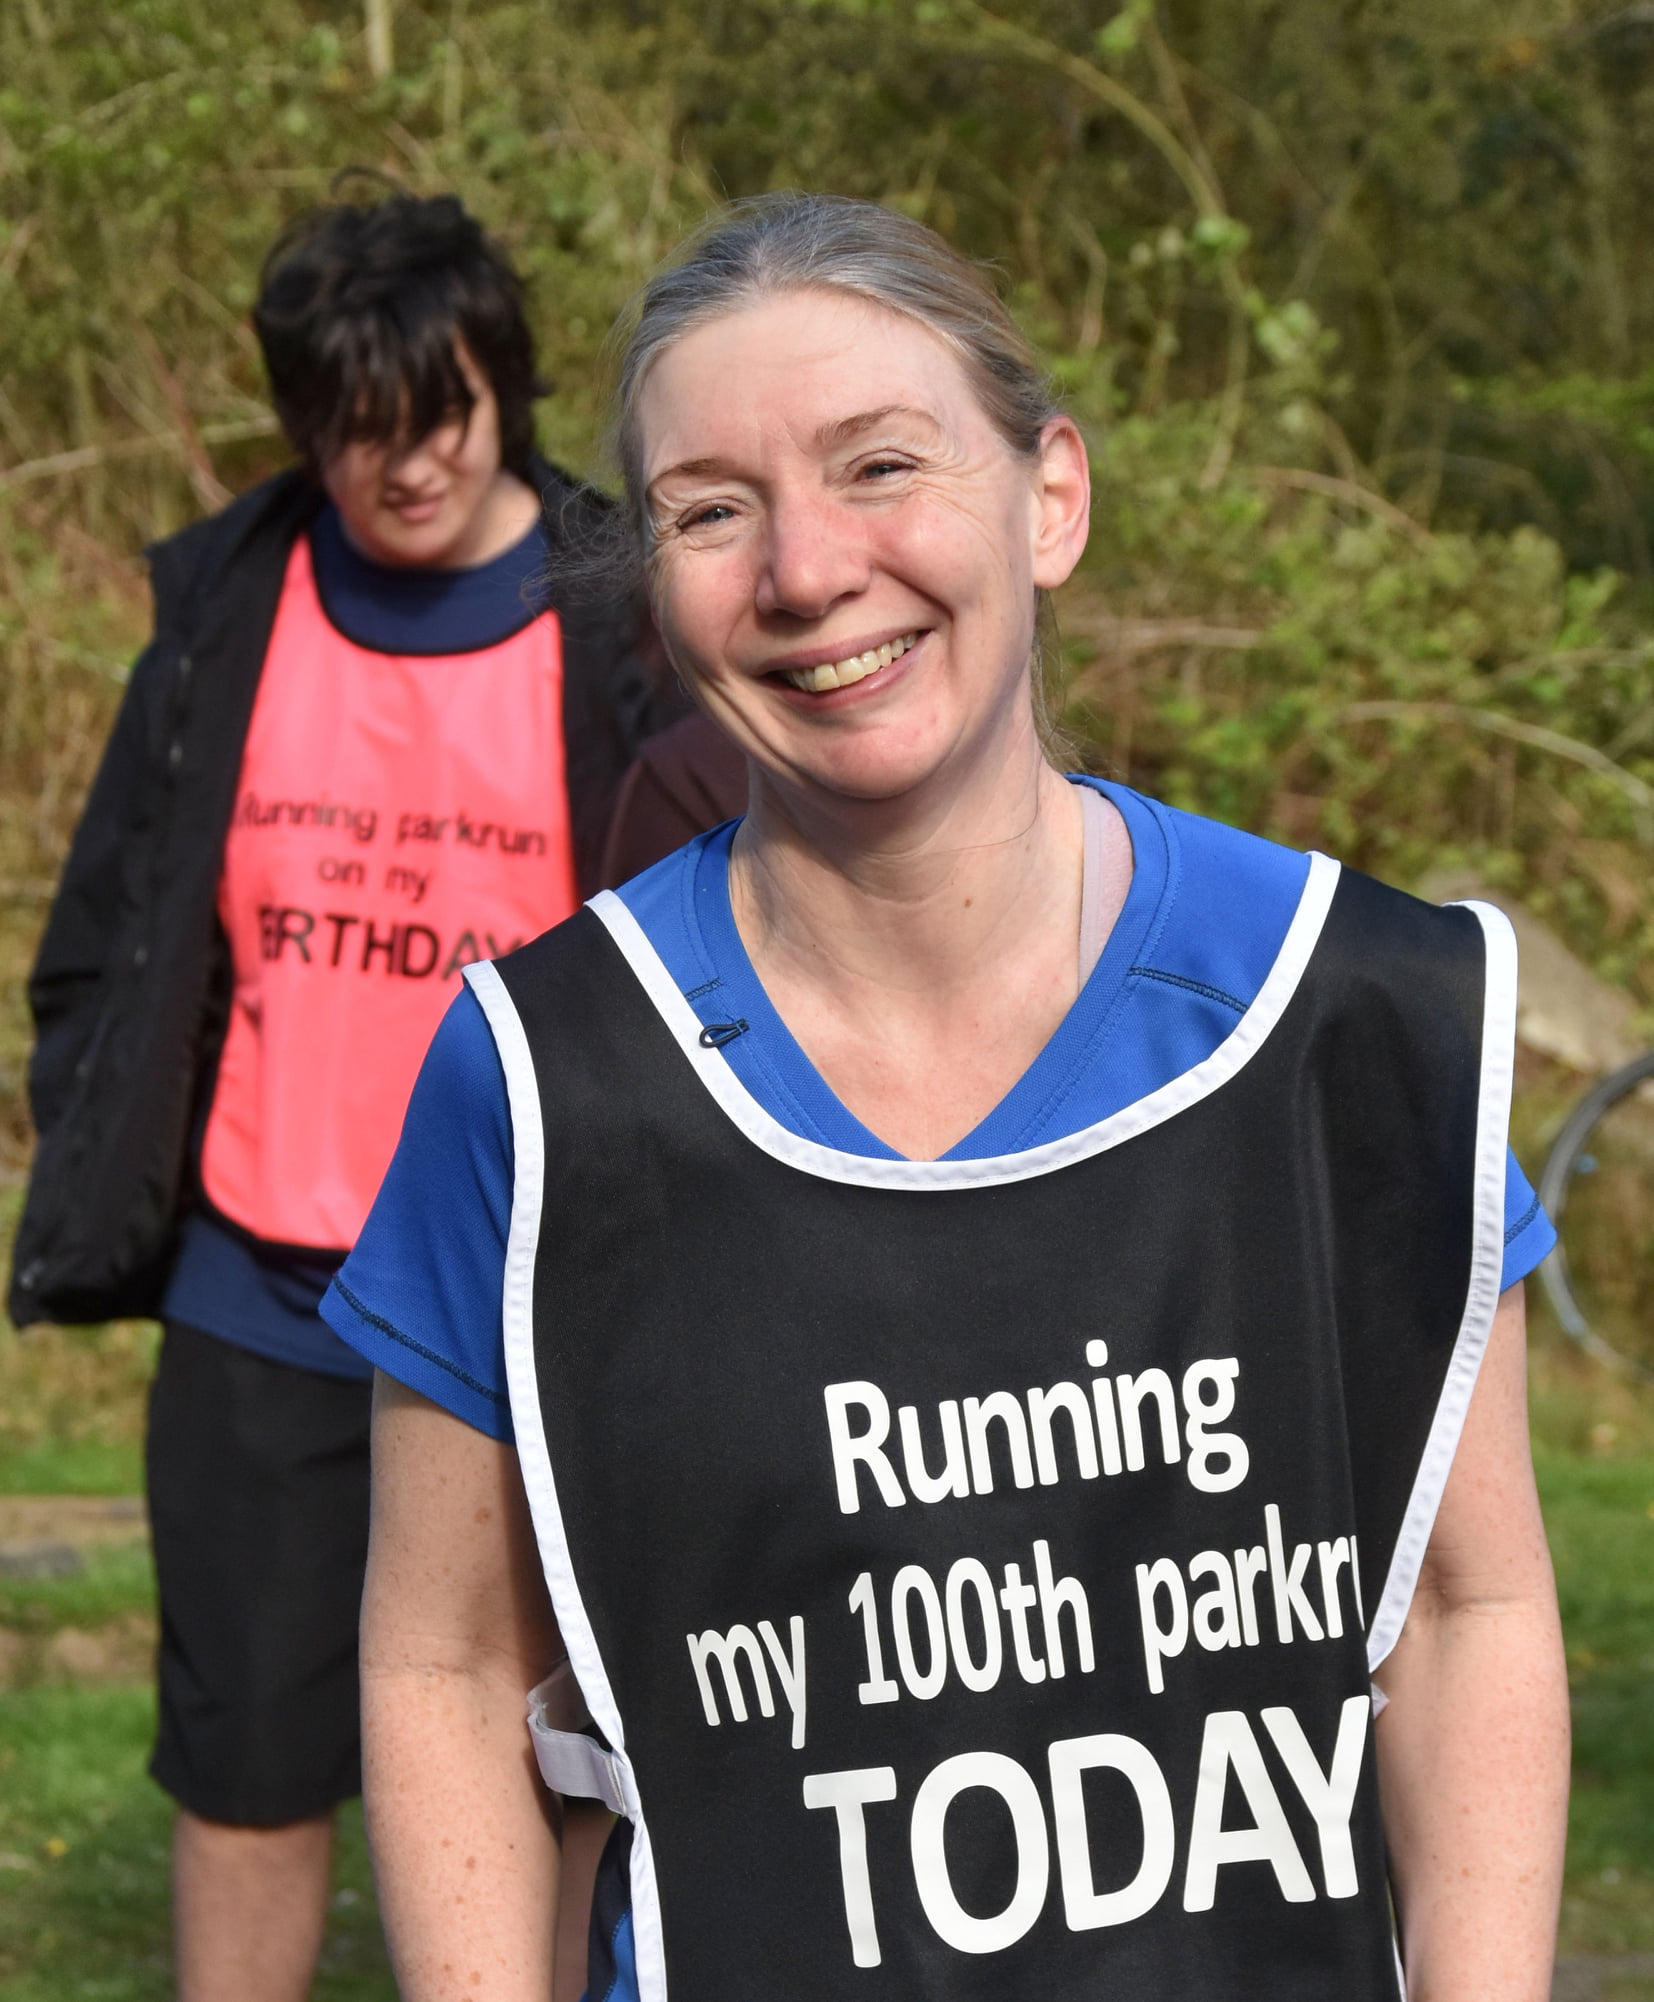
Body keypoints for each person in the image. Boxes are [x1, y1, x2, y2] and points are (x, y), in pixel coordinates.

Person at [324, 194, 1570, 2001]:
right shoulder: (540, 1078)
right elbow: (445, 1664)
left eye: (879, 464)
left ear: (1048, 498)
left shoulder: (1356, 1015)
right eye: (709, 509)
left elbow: (1465, 1609)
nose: (804, 568)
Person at [10, 192, 679, 2002]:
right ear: (304, 422)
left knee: (563, 1765)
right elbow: (110, 929)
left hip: (548, 1306)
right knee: (245, 1764)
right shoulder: (227, 608)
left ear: (502, 385)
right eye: (356, 425)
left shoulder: (627, 615)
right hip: (263, 1292)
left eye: (439, 412)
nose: (406, 462)